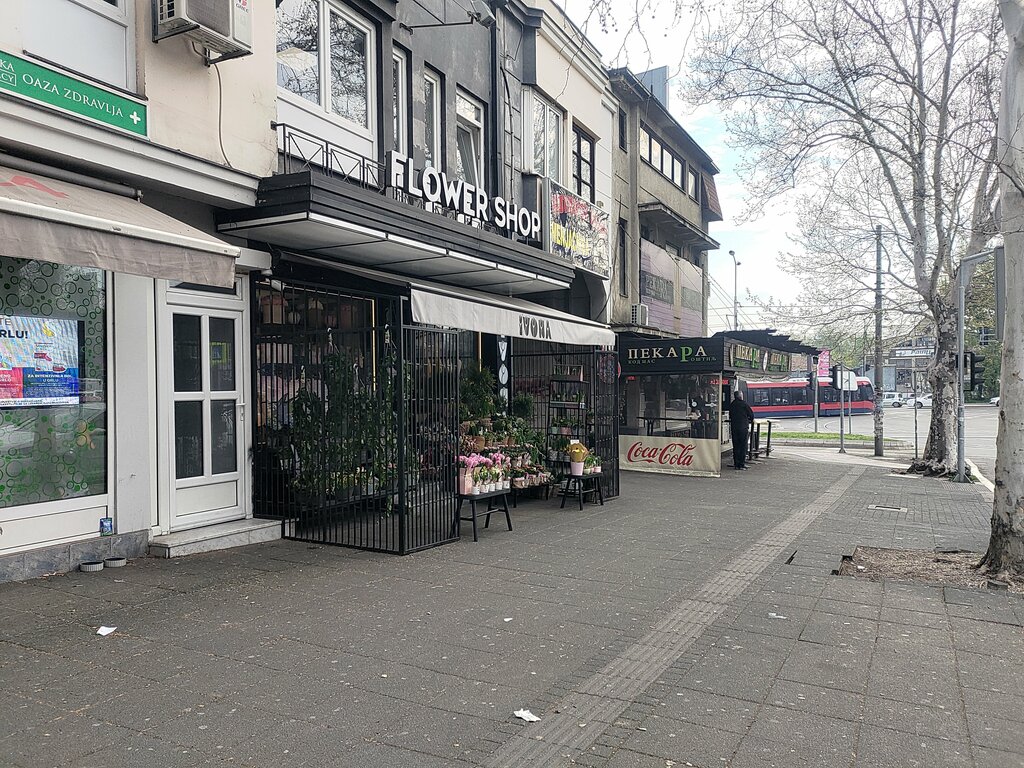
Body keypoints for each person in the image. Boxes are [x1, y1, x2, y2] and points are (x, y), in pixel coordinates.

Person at [727, 390, 754, 470]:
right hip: (743, 427)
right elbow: (751, 415)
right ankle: (741, 464)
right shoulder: (744, 404)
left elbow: (730, 415)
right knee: (743, 445)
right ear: (740, 396)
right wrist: (750, 420)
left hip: (734, 427)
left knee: (736, 446)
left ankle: (736, 464)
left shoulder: (732, 405)